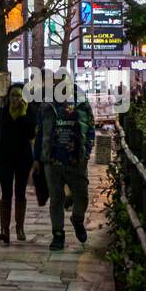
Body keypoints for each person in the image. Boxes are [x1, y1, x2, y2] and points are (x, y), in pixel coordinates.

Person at [33, 78, 96, 251]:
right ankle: (58, 235)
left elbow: (90, 128)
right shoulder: (46, 106)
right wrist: (37, 158)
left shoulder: (81, 103)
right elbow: (39, 133)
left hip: (77, 160)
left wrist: (87, 152)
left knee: (81, 195)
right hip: (52, 160)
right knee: (56, 199)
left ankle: (77, 219)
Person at [0, 84, 37, 244]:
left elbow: (31, 133)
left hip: (23, 159)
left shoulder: (29, 112)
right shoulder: (2, 113)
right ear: (8, 97)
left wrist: (22, 115)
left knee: (20, 193)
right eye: (13, 95)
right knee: (6, 193)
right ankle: (4, 230)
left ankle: (19, 228)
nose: (16, 99)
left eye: (18, 95)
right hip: (5, 159)